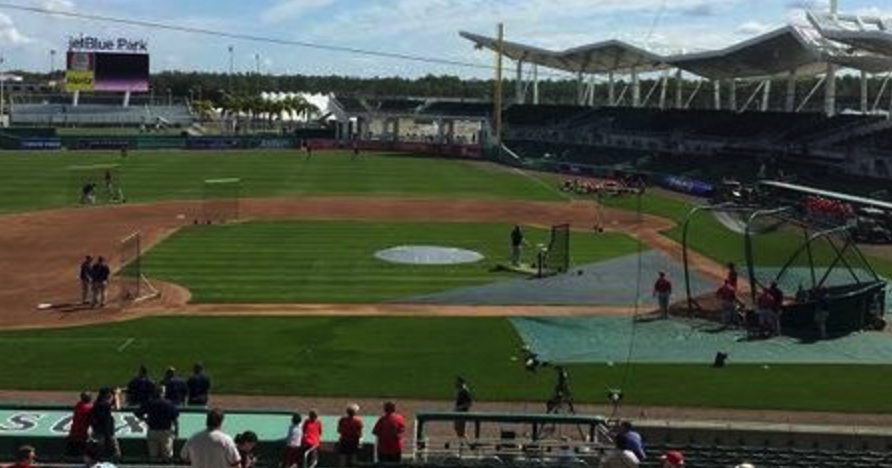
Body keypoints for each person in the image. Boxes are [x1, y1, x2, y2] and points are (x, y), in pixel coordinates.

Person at [136, 386, 180, 462]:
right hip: (166, 431)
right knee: (167, 456)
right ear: (163, 393)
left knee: (153, 456)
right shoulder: (169, 403)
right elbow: (175, 419)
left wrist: (145, 420)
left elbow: (137, 413)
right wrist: (176, 430)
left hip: (152, 431)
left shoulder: (149, 402)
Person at [90, 387, 121, 461]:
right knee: (115, 453)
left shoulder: (97, 404)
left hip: (99, 431)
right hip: (106, 432)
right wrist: (116, 395)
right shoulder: (105, 405)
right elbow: (117, 408)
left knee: (99, 452)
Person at [66, 392, 93, 457]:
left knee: (73, 448)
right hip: (83, 431)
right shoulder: (89, 407)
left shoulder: (79, 405)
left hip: (75, 430)